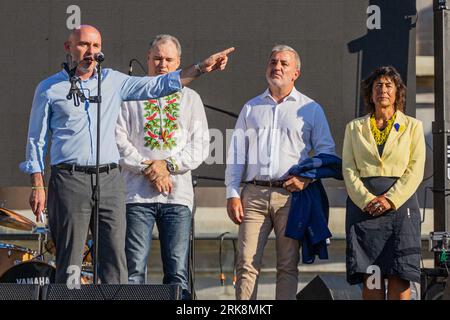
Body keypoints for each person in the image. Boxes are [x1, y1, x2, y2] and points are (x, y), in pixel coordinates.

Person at [20, 25, 234, 284]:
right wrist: (38, 184)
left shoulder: (113, 82)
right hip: (69, 180)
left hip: (109, 180)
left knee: (115, 260)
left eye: (96, 46)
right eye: (84, 45)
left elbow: (160, 85)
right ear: (69, 48)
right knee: (70, 261)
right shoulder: (49, 88)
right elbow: (36, 140)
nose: (90, 51)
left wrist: (200, 68)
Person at [225, 45, 336, 300]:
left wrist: (307, 178)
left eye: (284, 63)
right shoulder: (251, 108)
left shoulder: (311, 109)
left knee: (287, 265)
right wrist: (232, 193)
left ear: (296, 72)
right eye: (273, 62)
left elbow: (326, 153)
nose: (277, 67)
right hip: (253, 195)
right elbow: (236, 155)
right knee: (245, 262)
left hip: (290, 196)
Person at [115, 34, 209, 298]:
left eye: (169, 59)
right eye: (157, 58)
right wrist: (149, 168)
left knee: (177, 273)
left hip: (177, 197)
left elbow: (200, 145)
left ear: (179, 63)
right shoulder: (129, 95)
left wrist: (166, 165)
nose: (162, 64)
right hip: (136, 197)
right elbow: (118, 140)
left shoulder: (190, 98)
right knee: (133, 272)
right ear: (147, 59)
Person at [342, 66, 425, 300]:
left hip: (401, 211)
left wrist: (390, 199)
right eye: (378, 85)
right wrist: (367, 200)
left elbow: (415, 169)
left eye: (389, 85)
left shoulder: (413, 126)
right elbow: (348, 169)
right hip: (365, 212)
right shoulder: (354, 128)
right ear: (370, 94)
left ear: (398, 93)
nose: (383, 90)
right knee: (373, 275)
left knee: (399, 275)